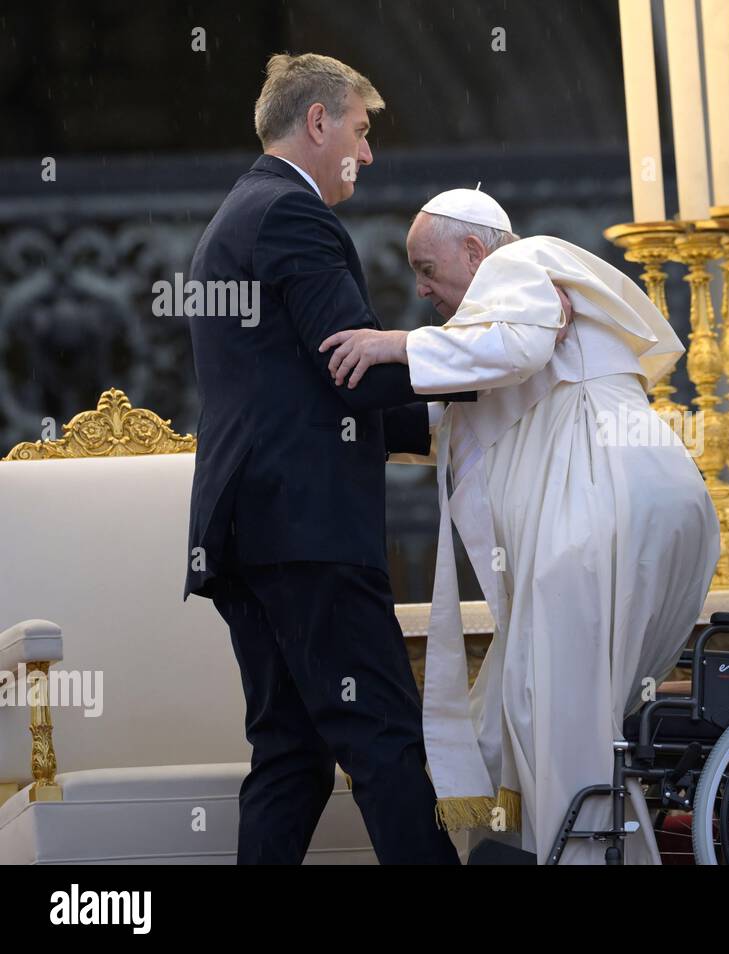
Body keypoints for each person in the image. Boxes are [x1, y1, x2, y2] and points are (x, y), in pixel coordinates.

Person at [321, 188, 720, 863]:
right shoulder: (495, 321)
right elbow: (454, 414)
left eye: (426, 268)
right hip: (643, 504)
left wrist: (390, 345)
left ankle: (587, 855)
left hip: (604, 505)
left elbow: (523, 345)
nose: (421, 291)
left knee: (550, 708)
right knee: (532, 709)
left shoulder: (519, 267)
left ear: (475, 250)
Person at [185, 52, 475, 864]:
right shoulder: (293, 215)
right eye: (361, 128)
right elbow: (353, 372)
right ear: (319, 123)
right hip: (303, 534)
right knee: (383, 740)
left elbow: (305, 392)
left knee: (292, 758)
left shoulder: (240, 213)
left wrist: (442, 431)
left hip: (248, 532)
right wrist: (489, 380)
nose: (369, 152)